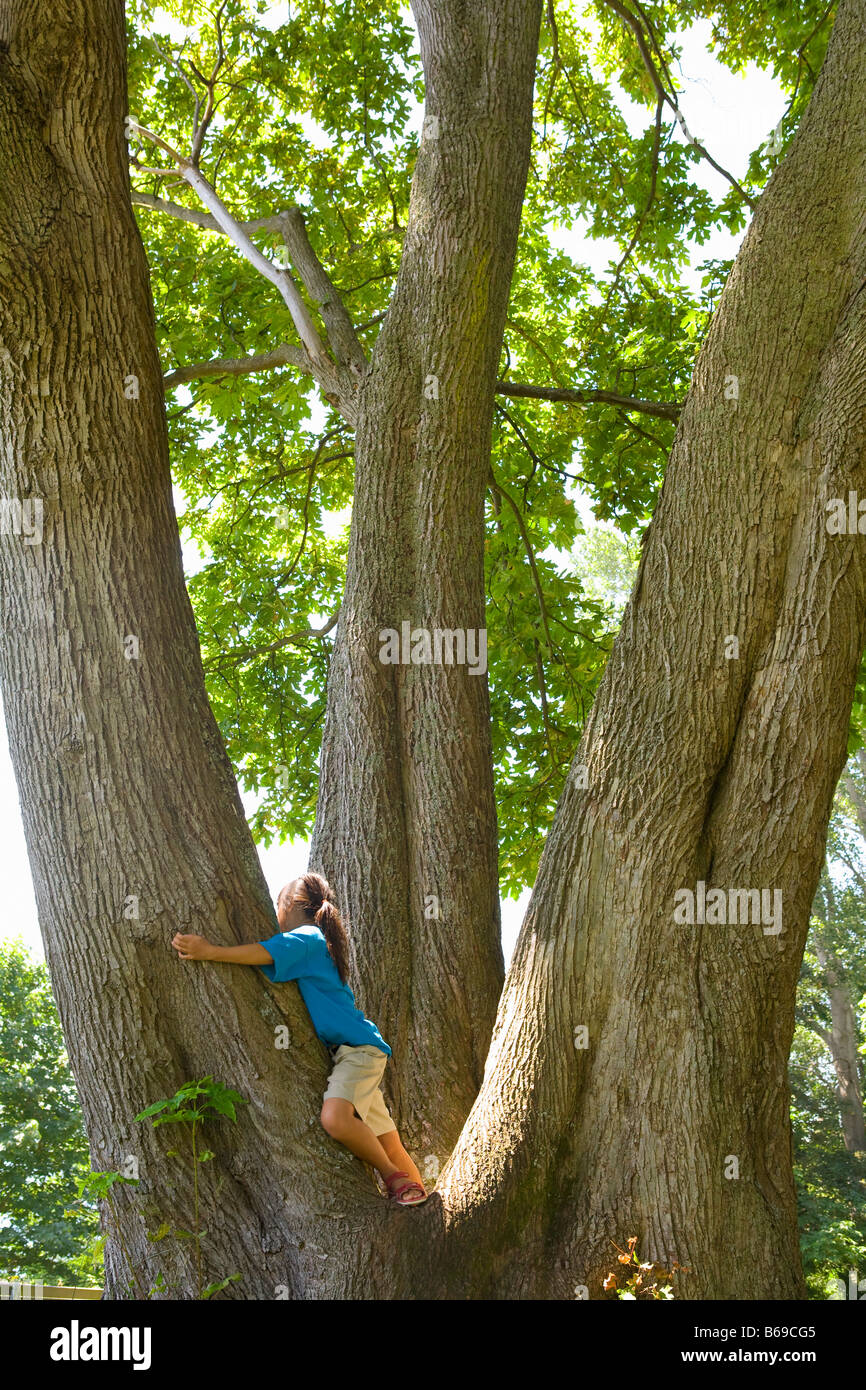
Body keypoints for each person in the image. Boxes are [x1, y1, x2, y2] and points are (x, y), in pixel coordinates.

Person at [171, 871, 427, 1206]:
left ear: (290, 904)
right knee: (385, 1138)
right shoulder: (319, 941)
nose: (274, 914)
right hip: (356, 1052)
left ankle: (394, 1180)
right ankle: (420, 1201)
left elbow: (262, 953)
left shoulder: (308, 937)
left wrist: (210, 951)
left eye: (277, 904)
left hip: (357, 1052)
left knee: (335, 1119)